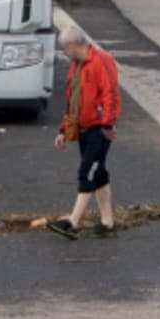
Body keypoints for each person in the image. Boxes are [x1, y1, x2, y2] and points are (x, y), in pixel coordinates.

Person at [54, 30, 120, 239]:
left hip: (99, 127)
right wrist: (64, 129)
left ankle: (74, 221)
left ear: (73, 44)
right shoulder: (76, 66)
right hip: (83, 126)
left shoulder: (101, 61)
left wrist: (107, 125)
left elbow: (110, 93)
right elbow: (71, 99)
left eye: (64, 49)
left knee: (88, 170)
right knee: (98, 172)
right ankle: (107, 222)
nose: (64, 53)